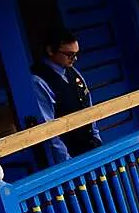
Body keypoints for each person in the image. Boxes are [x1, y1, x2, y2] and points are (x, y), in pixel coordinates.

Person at [28, 28, 101, 166]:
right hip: (69, 155)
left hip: (90, 147)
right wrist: (66, 162)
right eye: (69, 54)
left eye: (76, 54)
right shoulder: (39, 80)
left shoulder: (72, 71)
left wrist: (96, 138)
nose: (75, 59)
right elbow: (48, 127)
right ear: (51, 51)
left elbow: (88, 104)